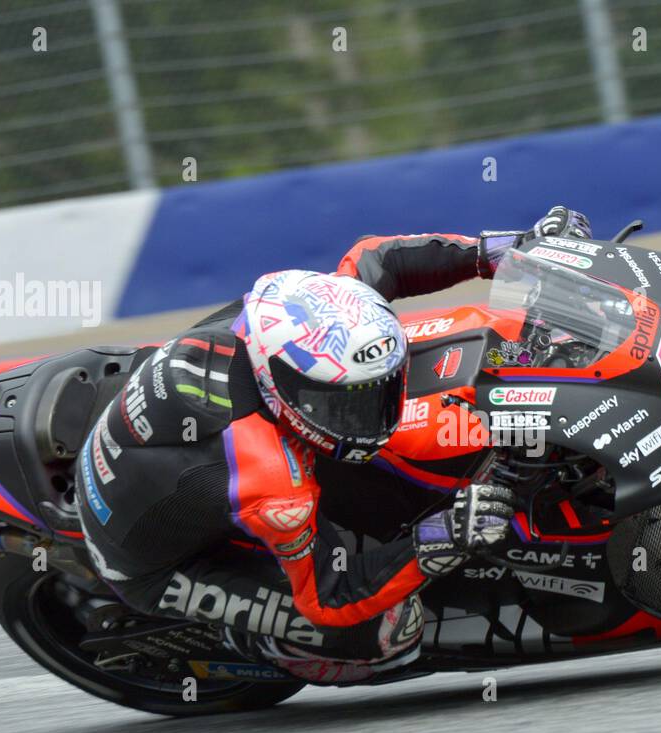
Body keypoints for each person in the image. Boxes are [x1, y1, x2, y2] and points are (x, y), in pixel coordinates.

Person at [75, 206, 593, 683]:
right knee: (383, 633)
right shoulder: (271, 483)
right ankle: (256, 644)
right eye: (345, 404)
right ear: (280, 385)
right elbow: (330, 595)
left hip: (166, 444)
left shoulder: (302, 316)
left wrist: (504, 250)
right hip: (151, 560)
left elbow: (379, 256)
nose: (374, 416)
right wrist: (438, 535)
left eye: (377, 395)